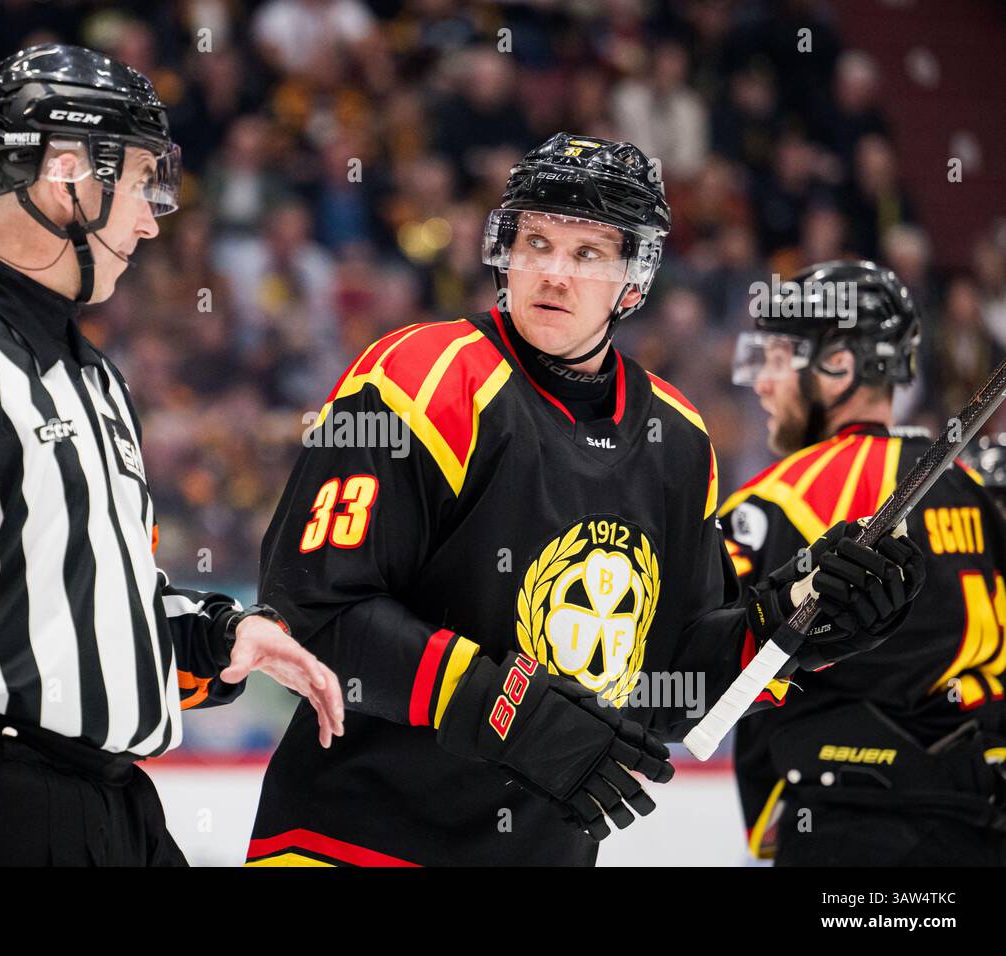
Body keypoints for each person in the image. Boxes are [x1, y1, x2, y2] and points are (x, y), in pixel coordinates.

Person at [244, 134, 924, 866]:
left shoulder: (677, 436)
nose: (553, 273)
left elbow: (665, 688)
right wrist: (507, 712)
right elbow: (313, 612)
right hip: (349, 841)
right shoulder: (419, 374)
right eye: (535, 241)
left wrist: (798, 622)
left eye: (588, 253)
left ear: (636, 279)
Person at [0, 43, 343, 867]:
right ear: (66, 176)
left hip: (114, 810)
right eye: (139, 182)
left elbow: (90, 607)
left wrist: (220, 638)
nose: (151, 215)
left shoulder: (91, 378)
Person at [722, 260, 1006, 866]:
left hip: (853, 834)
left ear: (840, 366)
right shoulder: (977, 490)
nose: (761, 383)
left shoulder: (779, 499)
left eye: (776, 358)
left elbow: (694, 656)